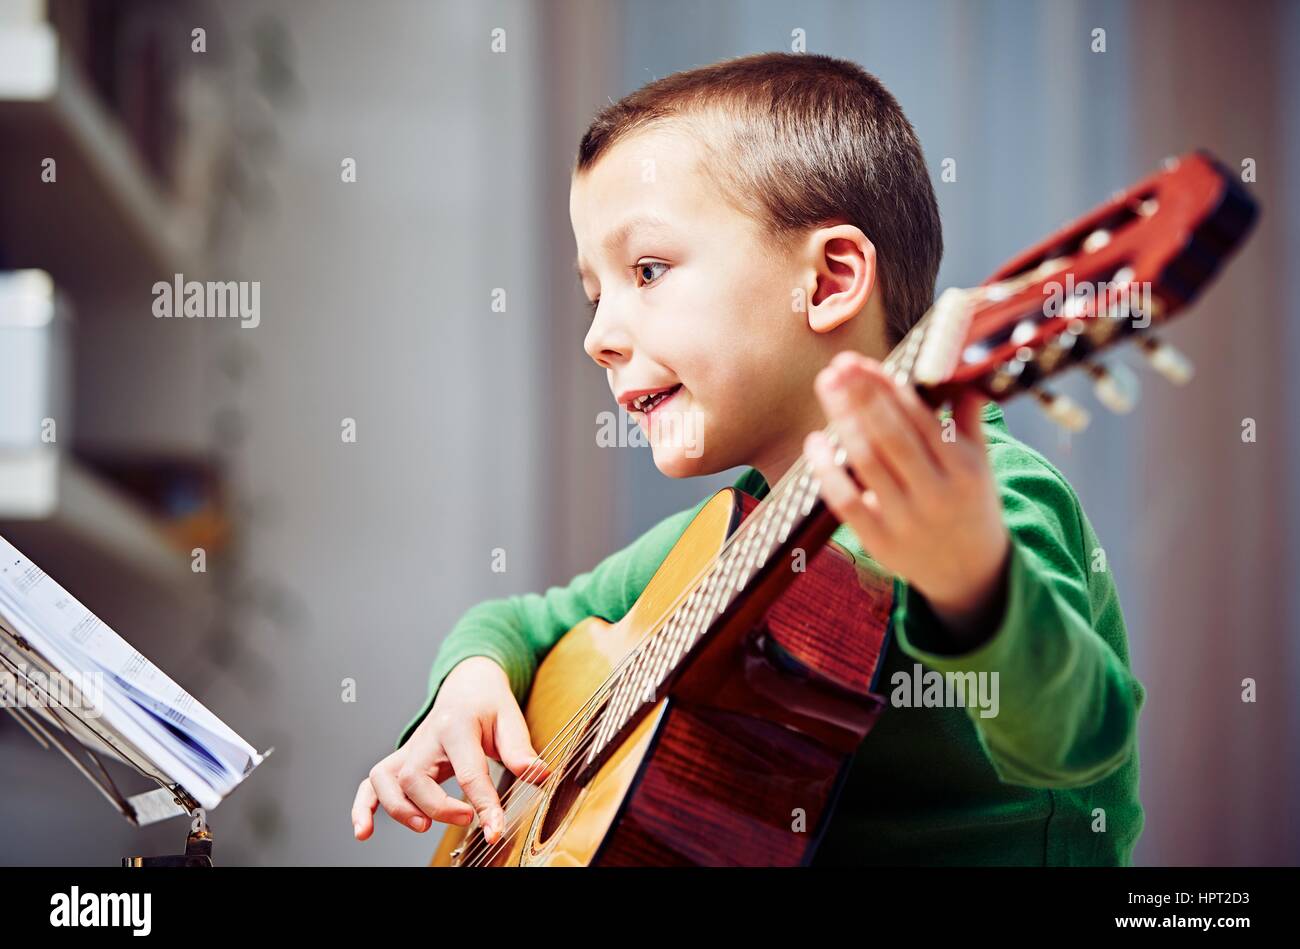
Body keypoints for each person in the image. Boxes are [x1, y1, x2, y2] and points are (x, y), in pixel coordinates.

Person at [352, 52, 1144, 865]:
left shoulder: (980, 496)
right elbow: (520, 620)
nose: (598, 337)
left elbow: (1081, 737)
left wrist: (972, 578)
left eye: (648, 271)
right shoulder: (726, 538)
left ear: (831, 280)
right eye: (596, 295)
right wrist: (470, 681)